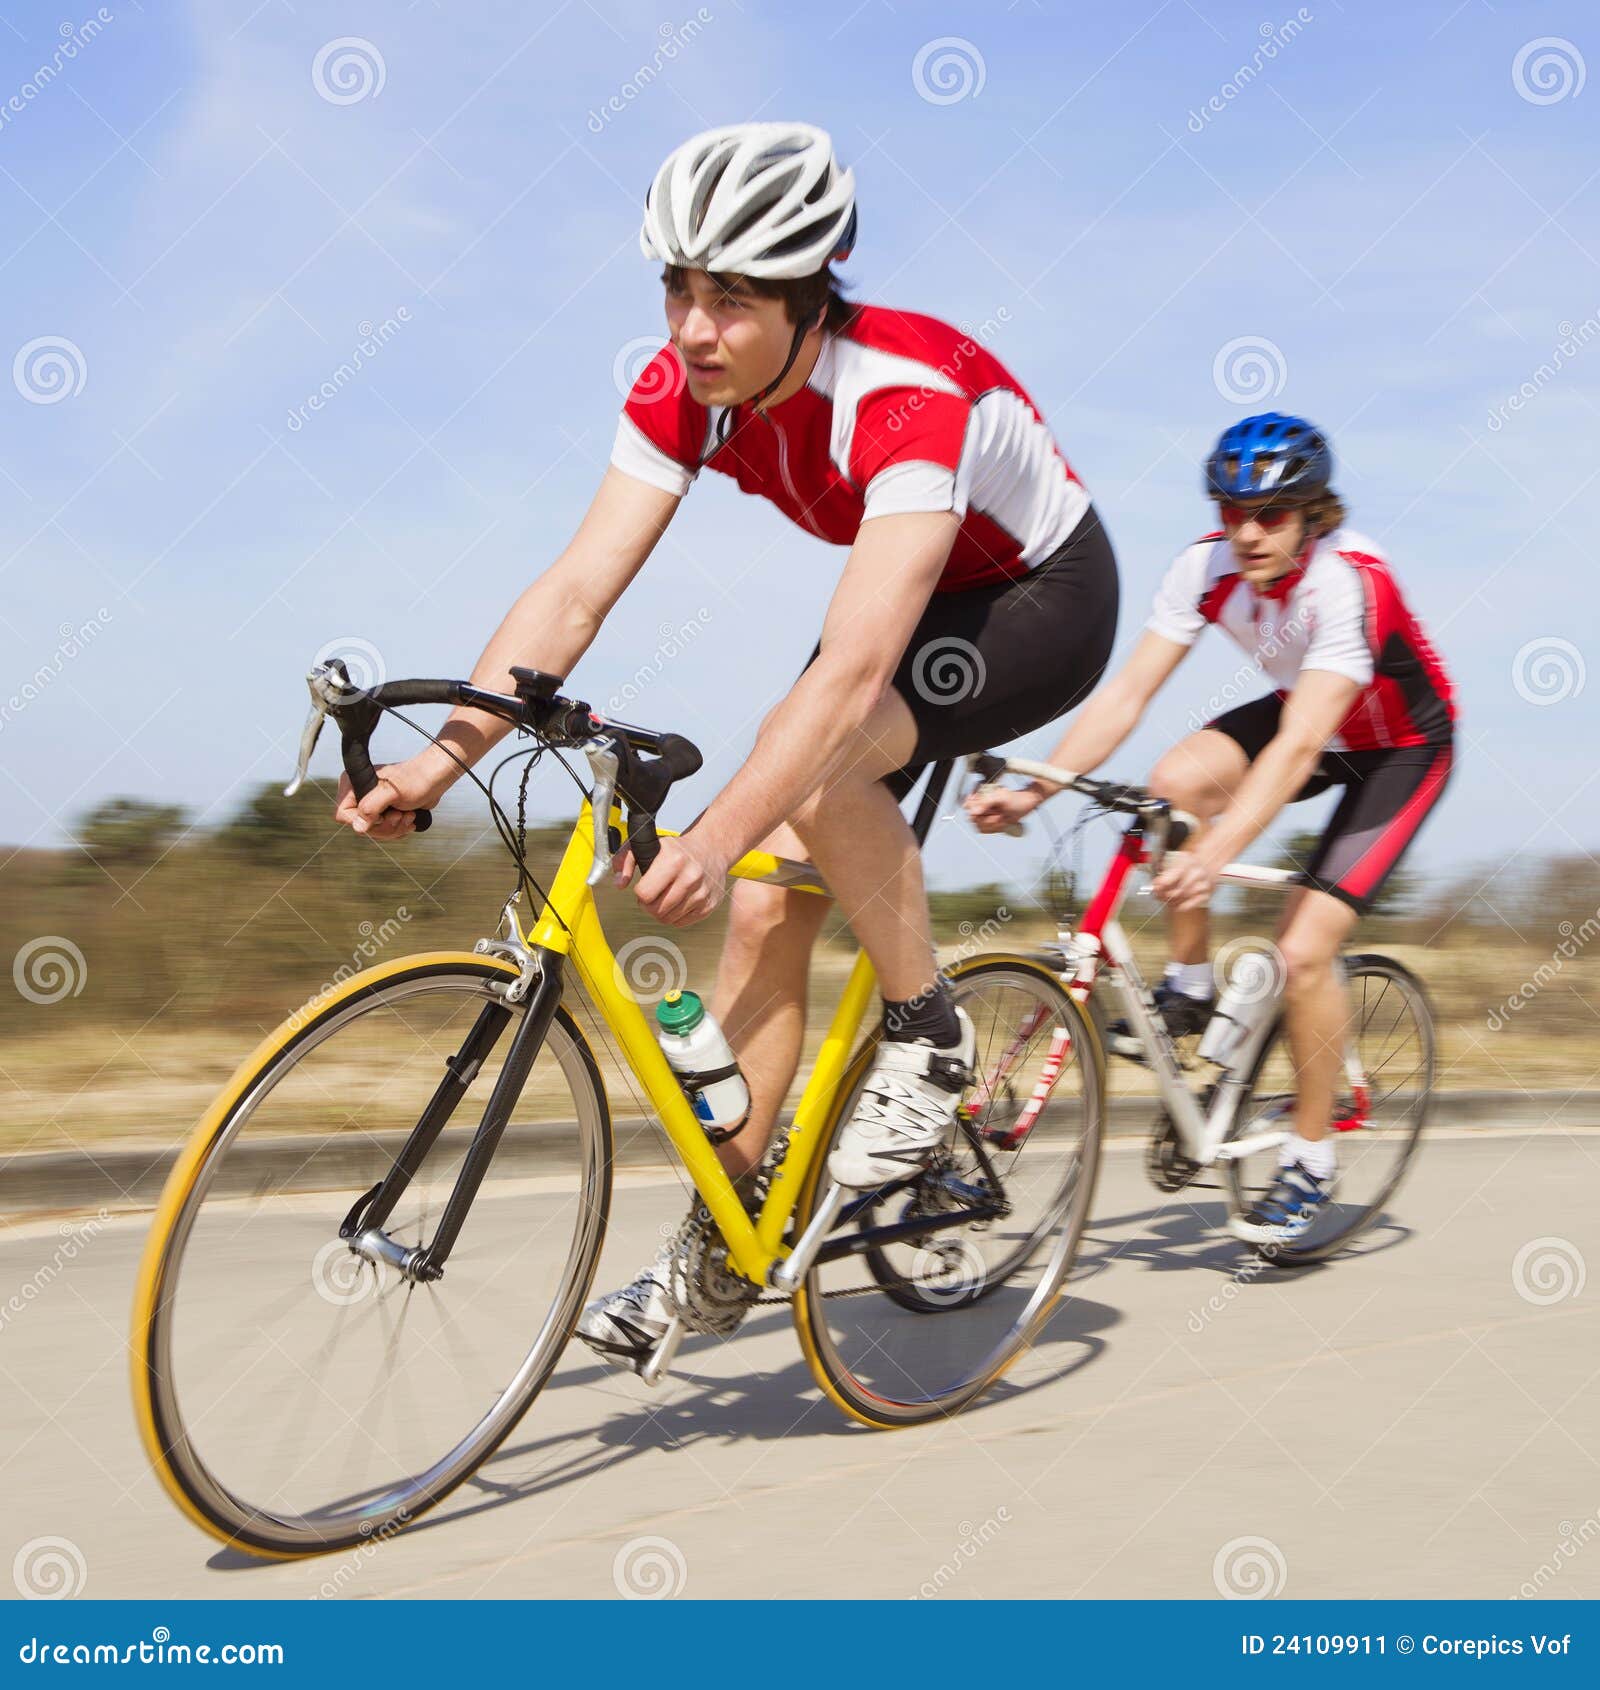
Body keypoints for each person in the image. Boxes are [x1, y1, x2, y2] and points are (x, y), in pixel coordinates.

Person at [334, 122, 1120, 1368]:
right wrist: (441, 760)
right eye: (677, 288)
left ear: (812, 300)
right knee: (760, 916)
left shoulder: (904, 394)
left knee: (816, 758)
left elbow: (858, 671)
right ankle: (724, 1243)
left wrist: (722, 826)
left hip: (1037, 599)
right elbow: (577, 590)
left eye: (732, 296)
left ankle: (928, 1035)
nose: (694, 326)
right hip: (909, 610)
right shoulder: (677, 390)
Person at [967, 412, 1455, 1245]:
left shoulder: (1348, 582)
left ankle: (1311, 1159)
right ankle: (1190, 988)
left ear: (1314, 515)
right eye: (1233, 513)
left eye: (1271, 515)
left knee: (1303, 950)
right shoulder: (1206, 567)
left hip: (1398, 747)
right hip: (1310, 715)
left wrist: (1218, 853)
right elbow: (1128, 695)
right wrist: (1035, 788)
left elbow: (1301, 745)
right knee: (1173, 787)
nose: (1249, 532)